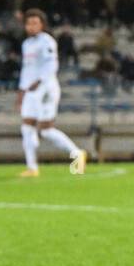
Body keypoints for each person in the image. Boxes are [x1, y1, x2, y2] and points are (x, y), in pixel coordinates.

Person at [17, 9, 87, 177]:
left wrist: (39, 81)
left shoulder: (47, 42)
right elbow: (26, 70)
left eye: (35, 23)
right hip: (30, 90)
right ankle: (32, 167)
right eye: (29, 23)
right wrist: (21, 91)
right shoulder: (26, 44)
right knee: (27, 127)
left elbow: (51, 66)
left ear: (42, 25)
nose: (31, 26)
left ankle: (77, 155)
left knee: (46, 130)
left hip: (46, 88)